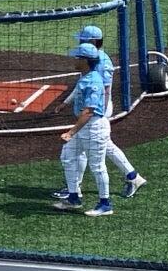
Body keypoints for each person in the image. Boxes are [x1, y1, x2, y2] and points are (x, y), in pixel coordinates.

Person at [53, 41, 143, 214]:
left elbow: (88, 112)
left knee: (97, 166)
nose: (74, 60)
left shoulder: (93, 81)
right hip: (85, 127)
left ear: (85, 61)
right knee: (67, 155)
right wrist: (65, 104)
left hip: (93, 128)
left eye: (77, 57)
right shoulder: (86, 77)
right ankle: (73, 198)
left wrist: (71, 132)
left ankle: (105, 204)